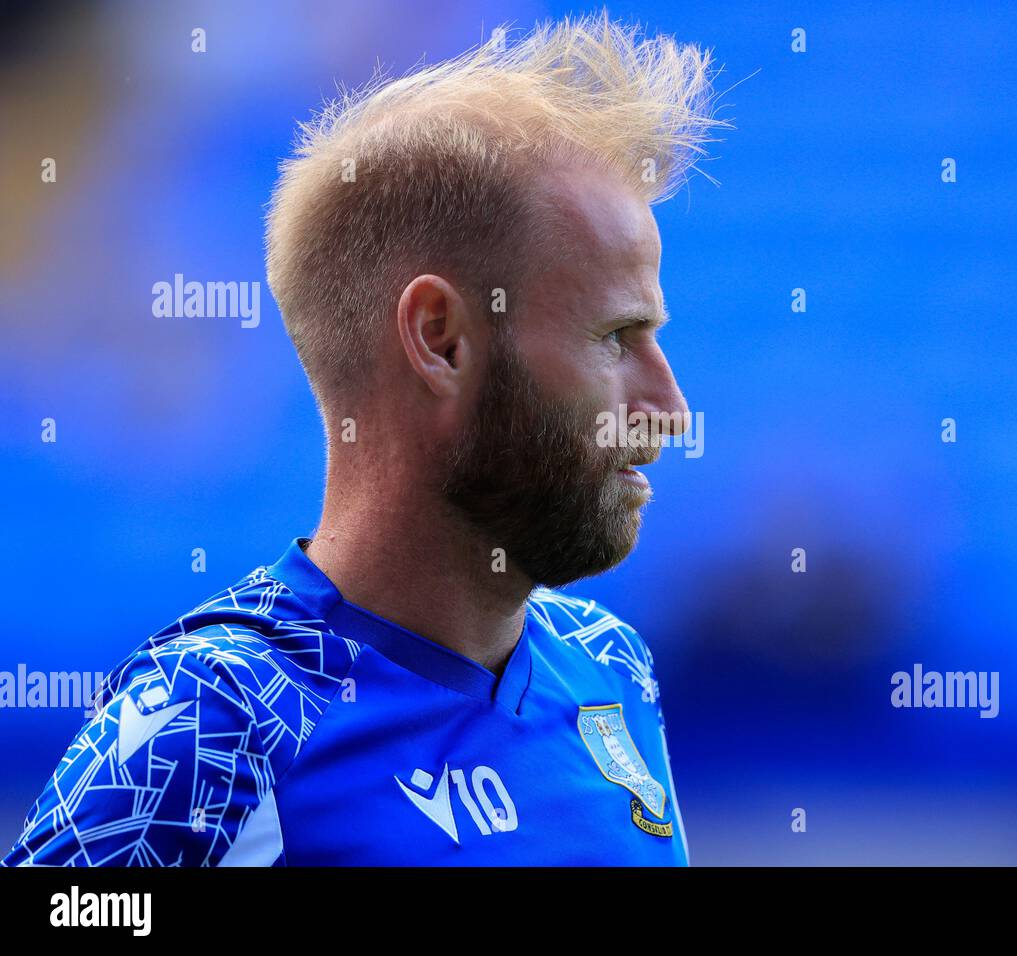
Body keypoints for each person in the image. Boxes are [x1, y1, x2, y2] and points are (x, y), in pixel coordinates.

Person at [3, 12, 723, 866]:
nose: (670, 407)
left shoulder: (611, 670)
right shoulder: (213, 727)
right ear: (442, 341)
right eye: (616, 337)